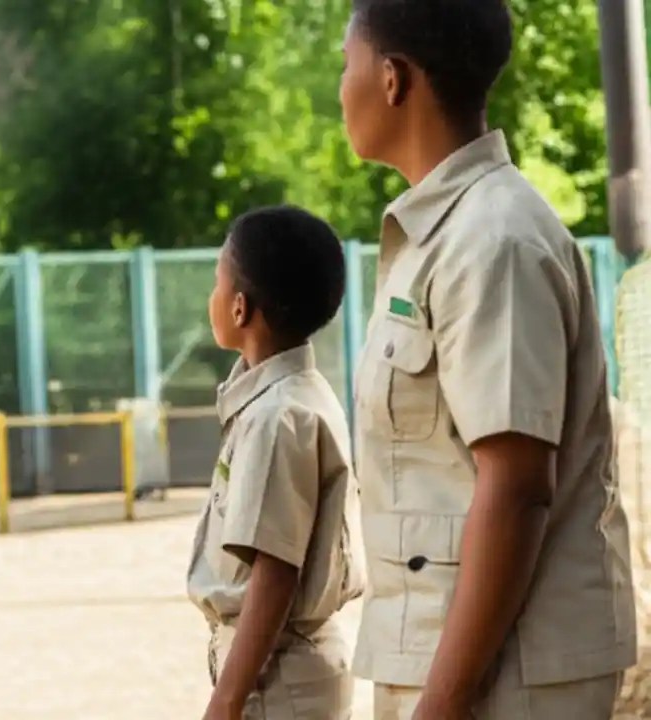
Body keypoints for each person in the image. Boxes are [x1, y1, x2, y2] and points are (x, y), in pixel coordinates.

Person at [337, 1, 636, 718]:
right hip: (455, 651)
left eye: (344, 67)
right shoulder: (441, 233)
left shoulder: (493, 239)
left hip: (505, 671)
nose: (338, 90)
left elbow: (516, 486)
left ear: (390, 78)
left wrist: (444, 704)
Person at [189, 205, 365, 720]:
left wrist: (225, 703)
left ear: (240, 308)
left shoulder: (277, 415)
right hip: (286, 668)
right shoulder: (292, 395)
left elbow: (274, 576)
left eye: (218, 282)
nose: (213, 297)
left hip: (279, 674)